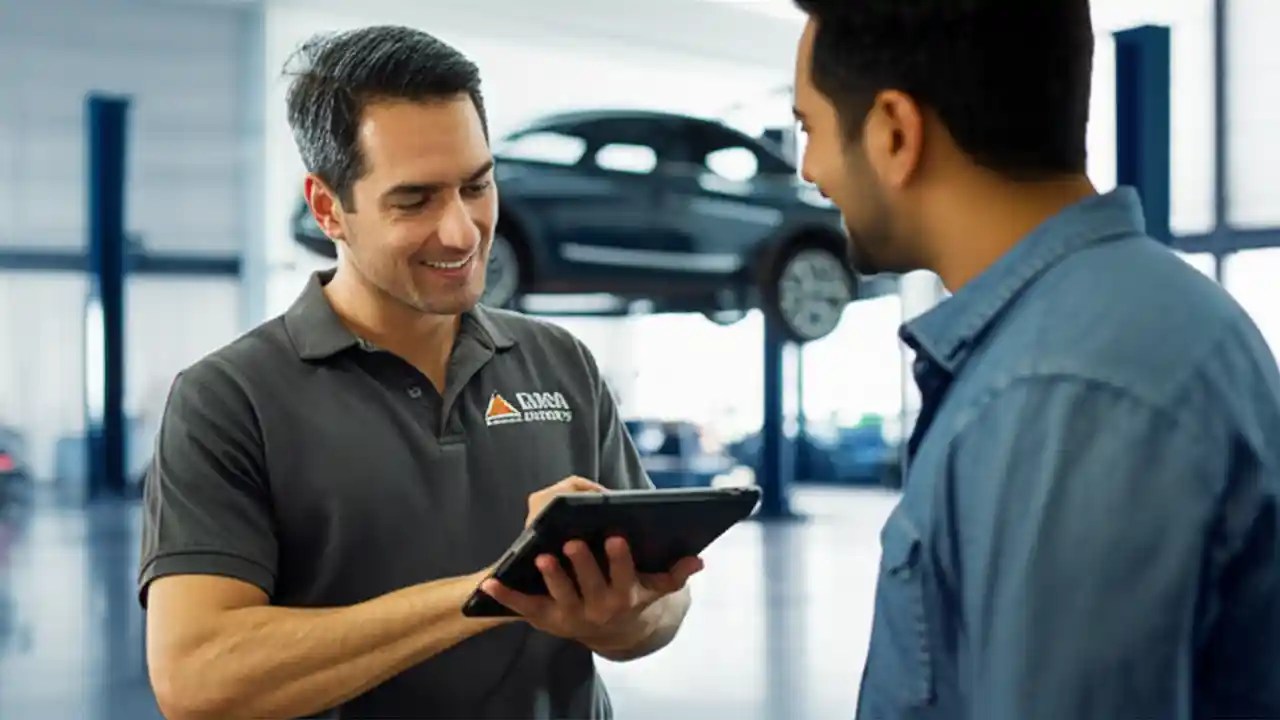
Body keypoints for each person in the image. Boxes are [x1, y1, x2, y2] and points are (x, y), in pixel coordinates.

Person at [138, 25, 701, 720]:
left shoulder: (561, 364)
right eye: (415, 200)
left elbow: (662, 607)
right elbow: (199, 679)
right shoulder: (229, 400)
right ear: (327, 209)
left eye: (477, 186)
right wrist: (495, 589)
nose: (463, 232)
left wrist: (616, 614)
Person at [790, 1, 1280, 718]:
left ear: (895, 132)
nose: (811, 169)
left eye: (811, 129)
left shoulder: (1061, 394)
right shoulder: (1137, 319)